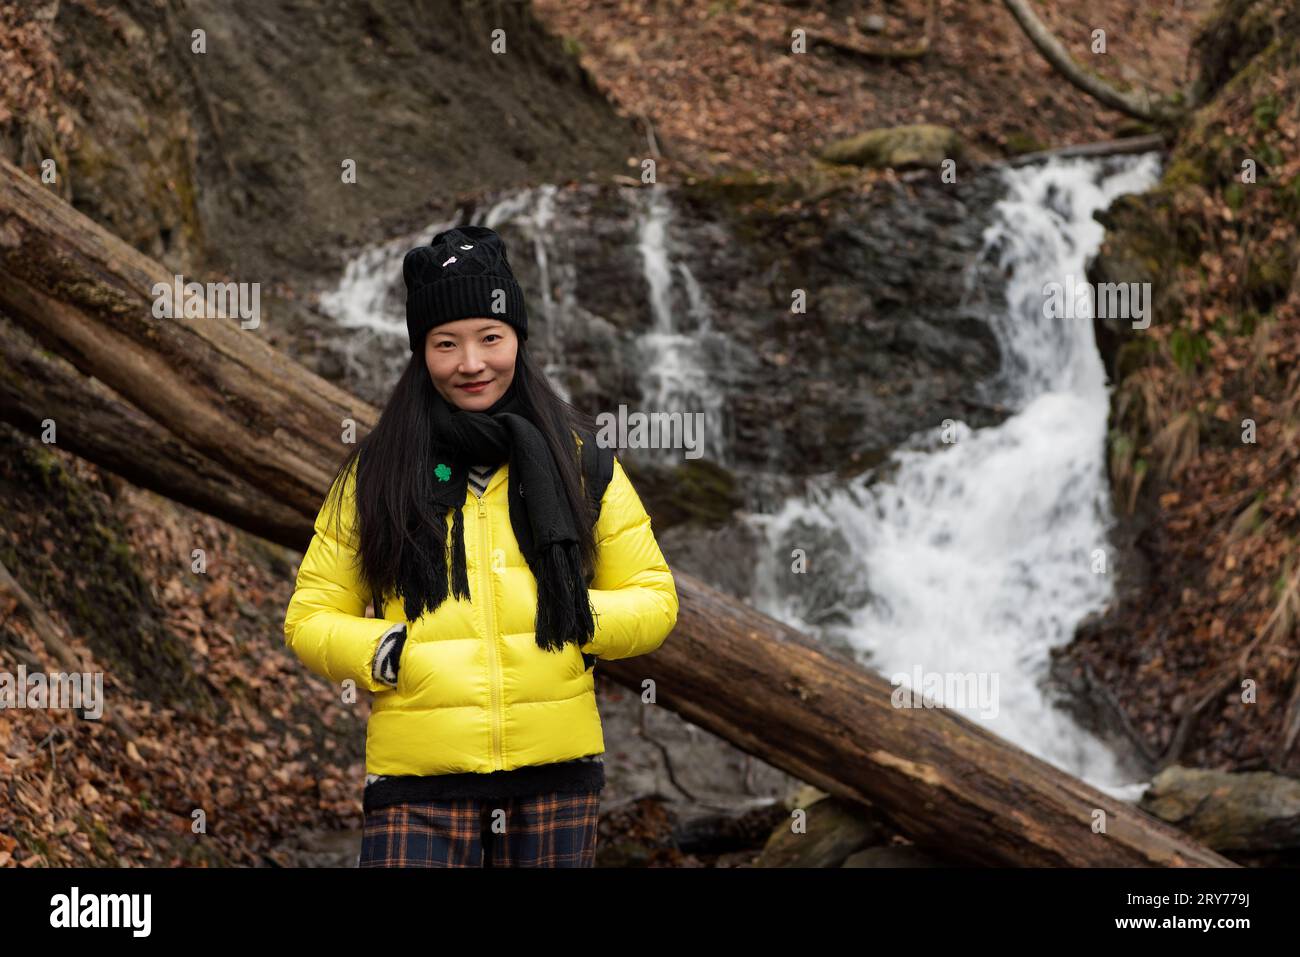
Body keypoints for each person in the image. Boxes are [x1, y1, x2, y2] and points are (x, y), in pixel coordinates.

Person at [283, 224, 679, 867]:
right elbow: (309, 617)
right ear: (423, 354)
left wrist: (576, 618)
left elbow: (655, 599)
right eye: (446, 344)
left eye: (490, 338)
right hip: (417, 782)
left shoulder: (580, 463)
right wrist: (387, 652)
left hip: (556, 775)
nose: (471, 363)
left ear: (517, 339)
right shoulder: (375, 474)